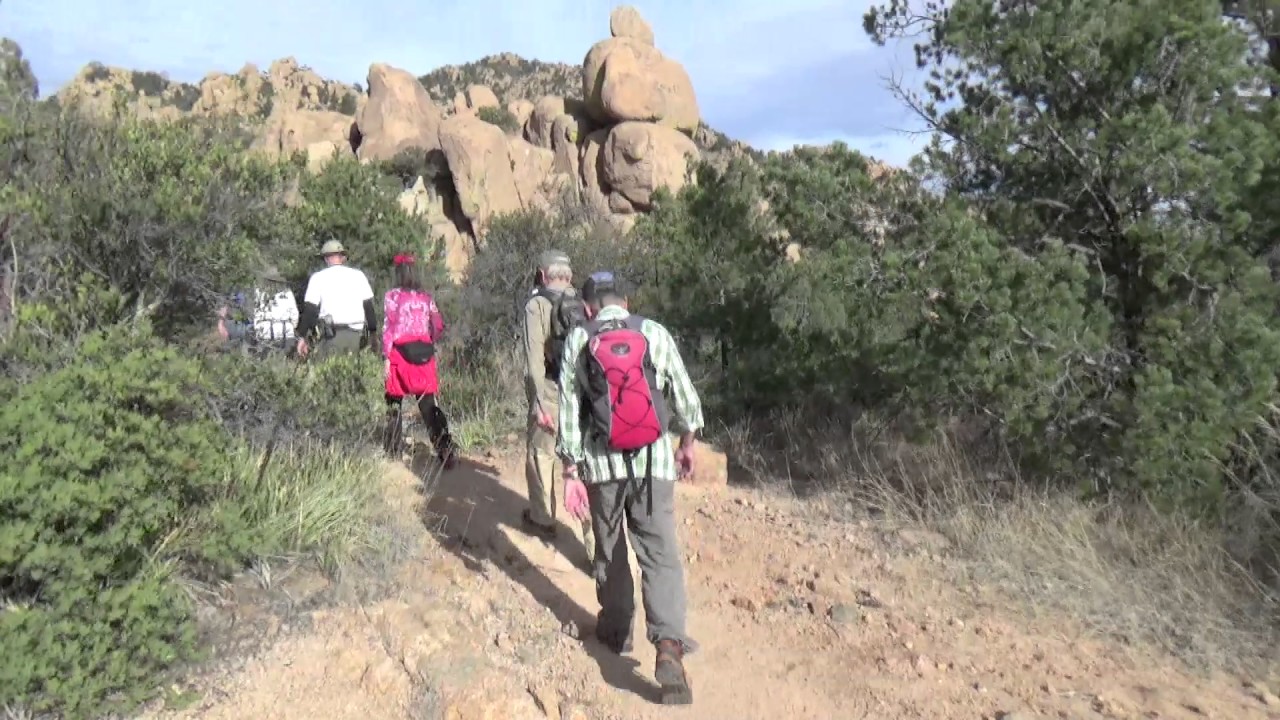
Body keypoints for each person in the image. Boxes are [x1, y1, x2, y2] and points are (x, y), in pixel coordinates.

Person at [556, 270, 703, 706]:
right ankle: (669, 648)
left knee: (610, 549)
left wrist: (569, 472)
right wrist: (687, 443)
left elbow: (569, 409)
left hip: (602, 466)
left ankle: (617, 631)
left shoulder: (579, 340)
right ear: (626, 299)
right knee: (659, 552)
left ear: (587, 307)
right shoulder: (653, 331)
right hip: (654, 461)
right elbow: (684, 397)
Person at [520, 249, 594, 564]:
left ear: (541, 273)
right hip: (583, 394)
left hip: (550, 389)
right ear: (569, 276)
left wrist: (537, 401)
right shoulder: (584, 303)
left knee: (542, 453)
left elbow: (533, 361)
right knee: (585, 467)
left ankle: (543, 518)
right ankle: (598, 548)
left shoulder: (538, 305)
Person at [382, 252, 456, 468]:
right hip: (424, 355)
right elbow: (438, 324)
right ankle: (445, 451)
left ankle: (393, 452)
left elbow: (389, 328)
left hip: (399, 355)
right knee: (428, 405)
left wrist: (386, 358)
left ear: (397, 273)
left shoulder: (392, 296)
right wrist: (428, 340)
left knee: (394, 402)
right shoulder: (426, 298)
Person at [294, 239, 377, 359]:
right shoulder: (358, 275)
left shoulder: (318, 277)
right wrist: (373, 334)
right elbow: (369, 307)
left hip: (330, 335)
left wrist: (302, 337)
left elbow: (310, 310)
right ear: (341, 256)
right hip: (354, 335)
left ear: (326, 258)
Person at [214, 266, 298, 352]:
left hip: (265, 334)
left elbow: (255, 314)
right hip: (286, 334)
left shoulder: (259, 292)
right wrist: (291, 327)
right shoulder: (287, 293)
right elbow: (295, 316)